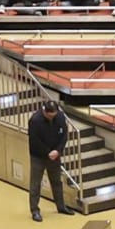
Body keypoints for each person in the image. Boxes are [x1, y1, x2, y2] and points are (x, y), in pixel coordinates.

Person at [26, 93, 72, 221]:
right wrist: (47, 152)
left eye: (54, 115)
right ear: (44, 111)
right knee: (35, 183)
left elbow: (64, 135)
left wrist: (58, 150)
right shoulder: (35, 120)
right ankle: (35, 210)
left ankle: (61, 206)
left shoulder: (60, 117)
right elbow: (34, 140)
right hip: (38, 156)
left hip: (55, 155)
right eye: (49, 116)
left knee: (57, 182)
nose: (52, 118)